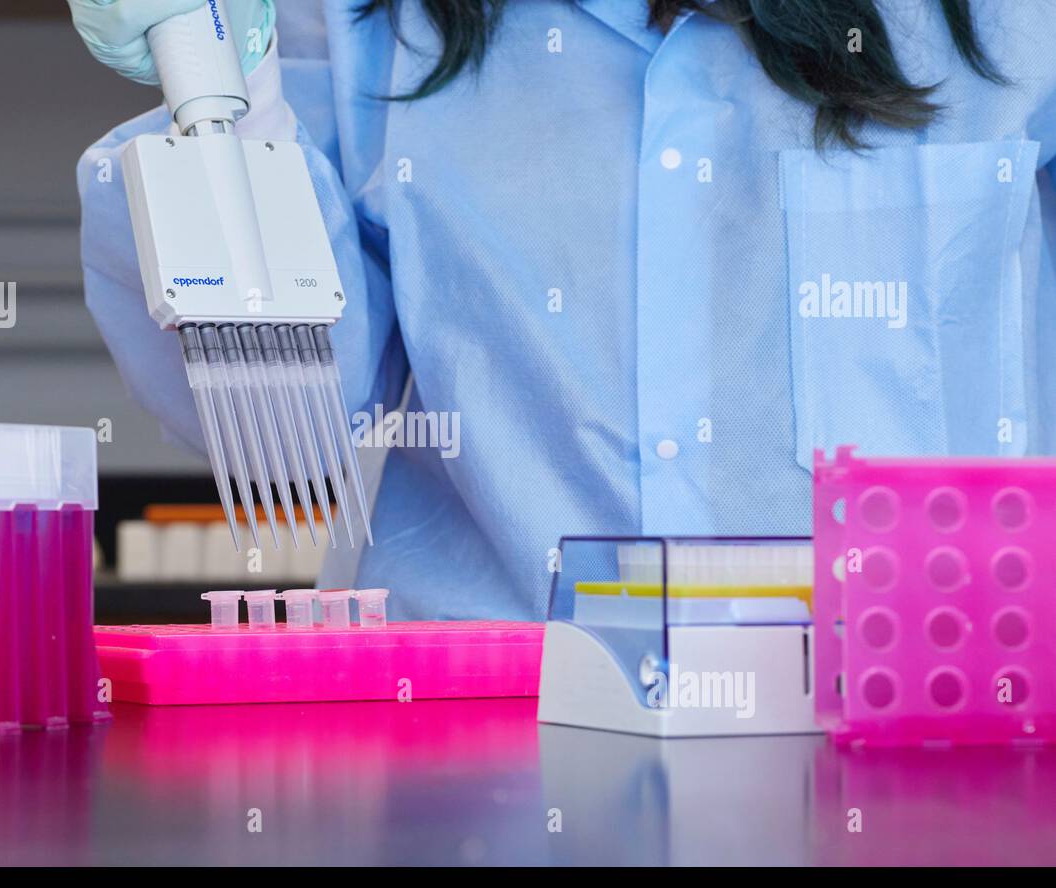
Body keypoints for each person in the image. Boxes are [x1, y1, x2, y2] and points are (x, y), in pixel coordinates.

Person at [70, 0, 1056, 620]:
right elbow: (294, 426)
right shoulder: (374, 24)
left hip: (912, 755)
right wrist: (233, 117)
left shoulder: (1009, 27)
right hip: (478, 761)